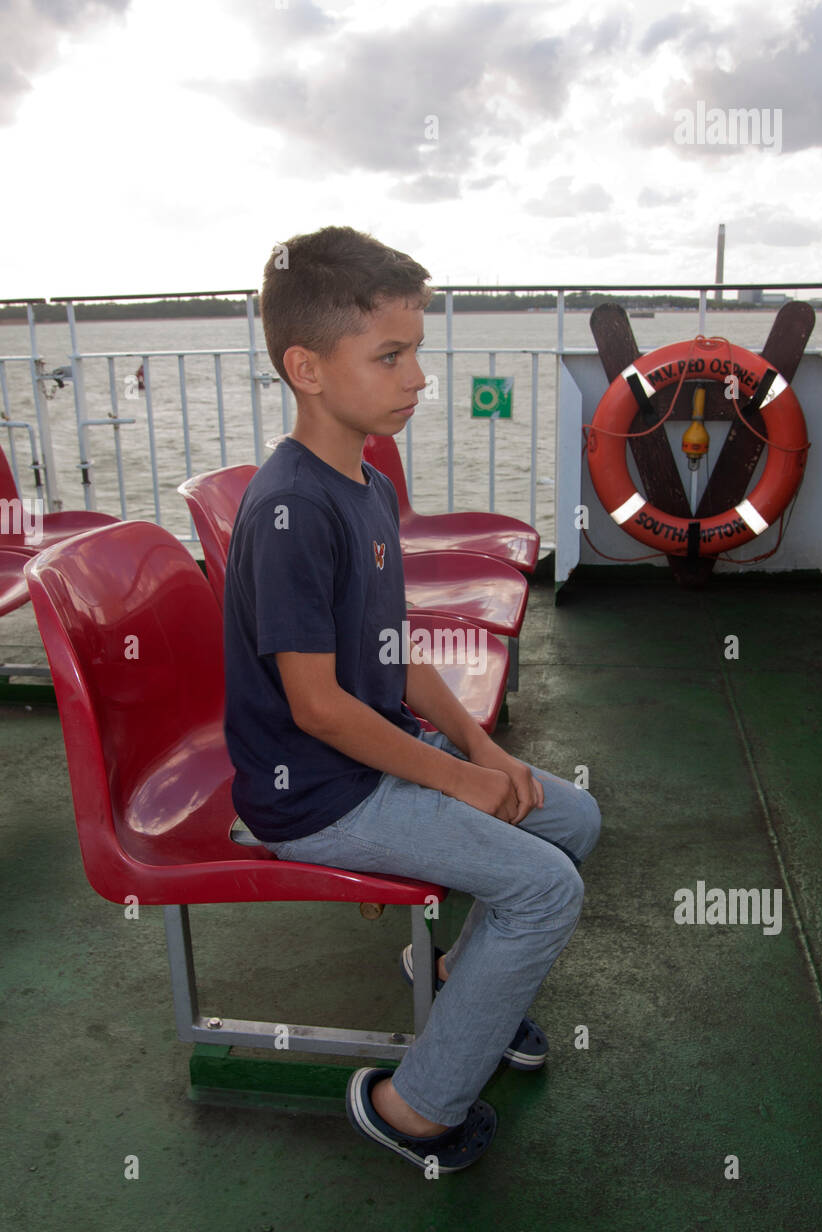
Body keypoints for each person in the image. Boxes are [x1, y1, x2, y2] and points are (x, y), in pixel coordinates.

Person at [223, 225, 601, 1172]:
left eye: (417, 353)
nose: (417, 379)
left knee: (575, 820)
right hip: (315, 796)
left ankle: (455, 979)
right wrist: (454, 780)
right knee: (546, 888)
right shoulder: (291, 513)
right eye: (390, 356)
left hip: (375, 755)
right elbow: (317, 708)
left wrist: (485, 750)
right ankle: (414, 1110)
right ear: (305, 367)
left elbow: (398, 657)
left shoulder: (367, 484)